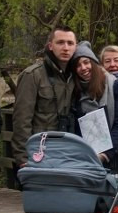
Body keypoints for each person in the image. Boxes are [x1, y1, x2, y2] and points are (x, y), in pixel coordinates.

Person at [10, 27, 78, 163]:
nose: (66, 48)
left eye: (70, 43)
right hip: (38, 152)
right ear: (50, 46)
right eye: (60, 42)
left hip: (67, 152)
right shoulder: (33, 75)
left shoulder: (75, 76)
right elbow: (22, 120)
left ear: (76, 47)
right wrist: (23, 158)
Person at [72, 41, 118, 167]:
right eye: (78, 65)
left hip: (114, 156)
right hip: (85, 157)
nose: (83, 68)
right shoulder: (76, 91)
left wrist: (105, 154)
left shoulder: (116, 86)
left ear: (94, 63)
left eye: (86, 62)